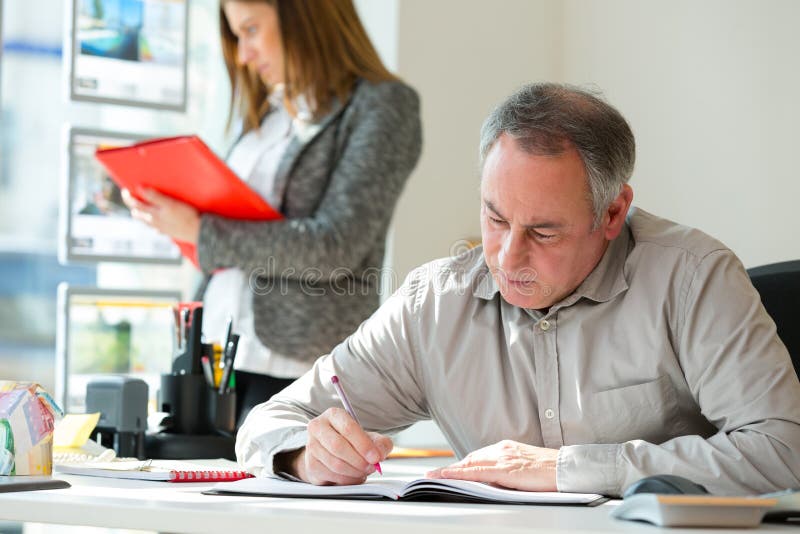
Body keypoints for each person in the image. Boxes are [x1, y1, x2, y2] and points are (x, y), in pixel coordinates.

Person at [235, 82, 800, 496]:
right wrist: (307, 455)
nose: (506, 258)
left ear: (613, 212)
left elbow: (784, 453)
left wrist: (566, 468)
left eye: (543, 231)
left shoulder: (693, 278)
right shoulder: (434, 305)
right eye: (495, 218)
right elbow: (266, 422)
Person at [123, 0, 422, 426]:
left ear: (303, 16)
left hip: (293, 370)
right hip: (215, 356)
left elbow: (336, 246)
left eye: (250, 30)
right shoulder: (268, 111)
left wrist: (203, 231)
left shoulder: (384, 106)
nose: (243, 55)